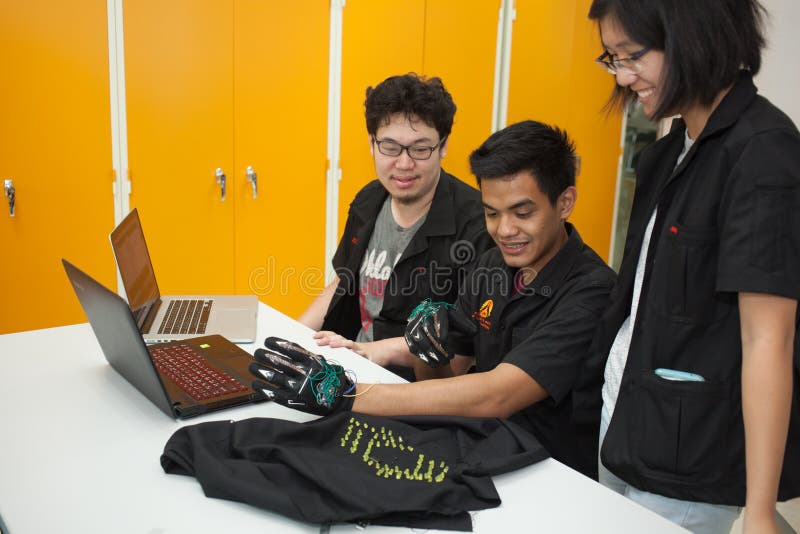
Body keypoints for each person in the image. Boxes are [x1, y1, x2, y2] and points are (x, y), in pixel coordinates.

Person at [251, 120, 617, 479]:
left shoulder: (592, 292)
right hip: (481, 446)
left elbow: (496, 396)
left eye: (523, 213)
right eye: (492, 213)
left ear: (564, 203)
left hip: (550, 474)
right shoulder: (494, 265)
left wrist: (348, 393)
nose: (505, 230)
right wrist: (425, 350)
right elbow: (446, 376)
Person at [578, 1, 800, 532]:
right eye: (612, 59)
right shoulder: (668, 151)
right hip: (622, 414)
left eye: (633, 55)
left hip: (689, 453)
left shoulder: (762, 152)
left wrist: (760, 512)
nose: (623, 77)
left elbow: (768, 340)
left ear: (694, 38)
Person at [298, 73, 493, 381]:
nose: (404, 164)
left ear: (443, 146)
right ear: (371, 144)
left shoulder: (477, 226)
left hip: (416, 386)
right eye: (390, 147)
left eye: (420, 149)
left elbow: (460, 353)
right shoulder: (368, 200)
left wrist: (373, 351)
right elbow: (343, 281)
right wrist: (294, 337)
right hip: (353, 365)